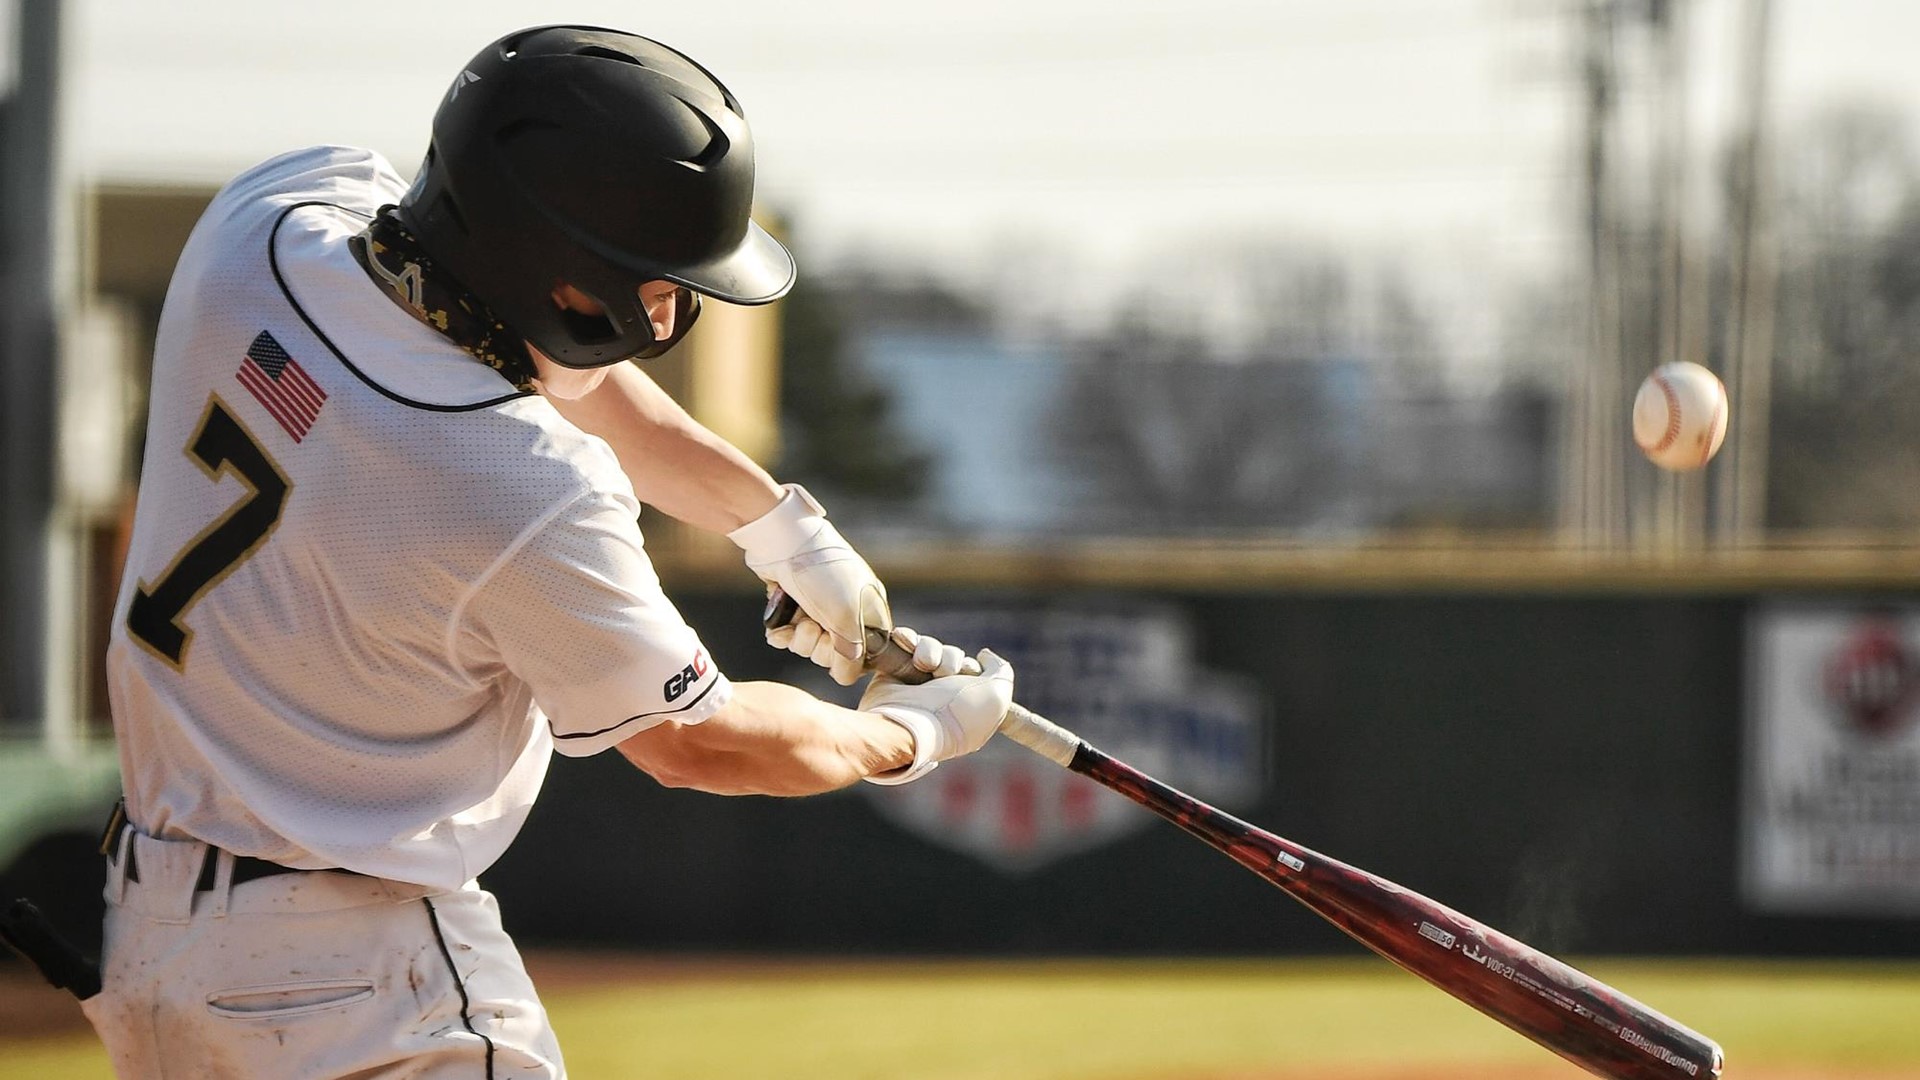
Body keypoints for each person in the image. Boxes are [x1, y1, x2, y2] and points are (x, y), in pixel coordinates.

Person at [86, 24, 1014, 1078]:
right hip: (358, 981)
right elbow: (701, 741)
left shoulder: (270, 217)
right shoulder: (522, 483)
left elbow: (501, 345)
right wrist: (907, 739)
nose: (671, 309)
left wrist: (778, 526)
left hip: (149, 940)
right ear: (564, 280)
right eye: (657, 282)